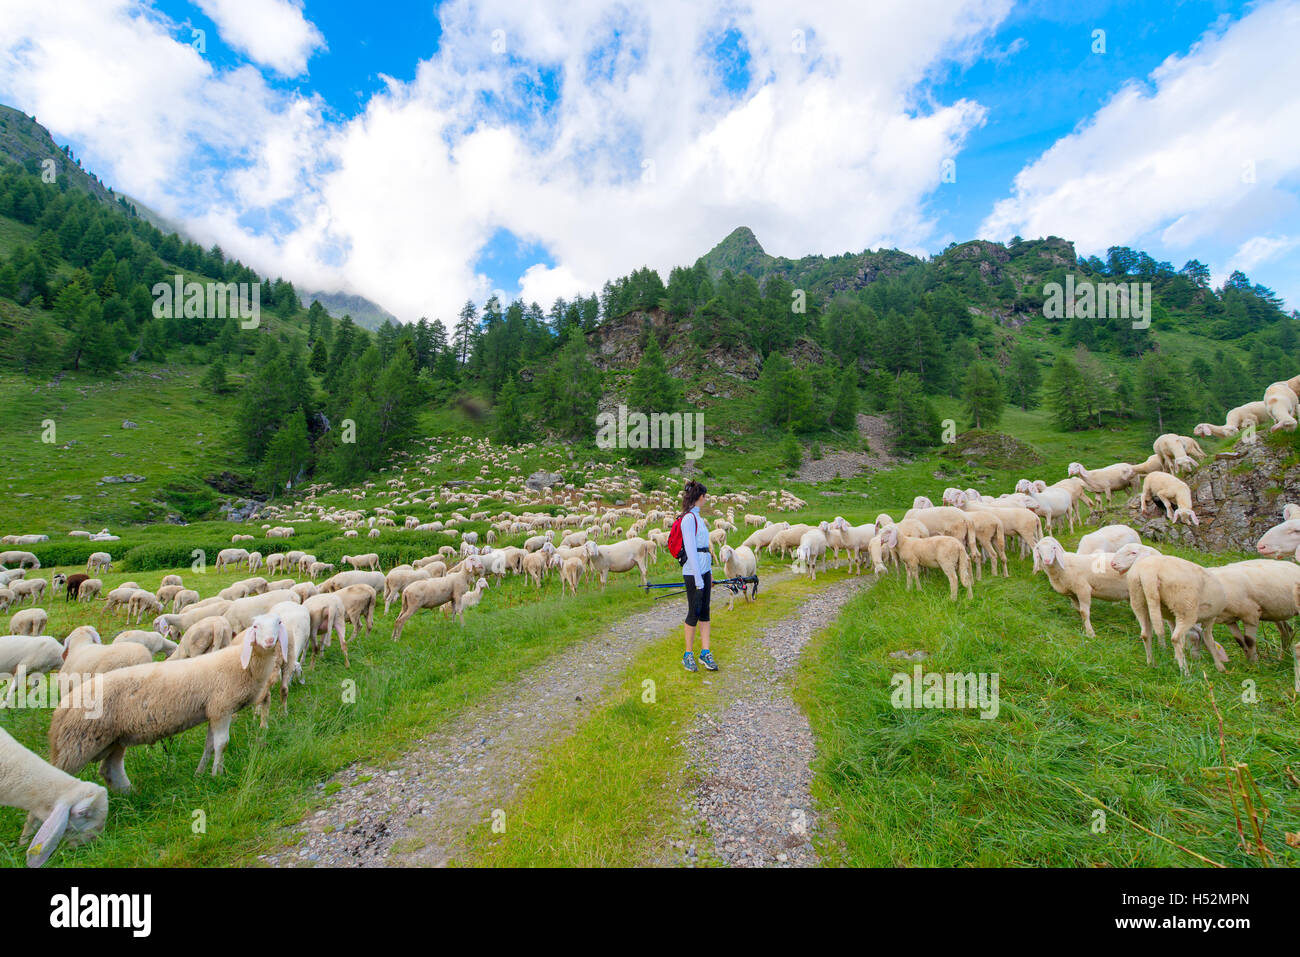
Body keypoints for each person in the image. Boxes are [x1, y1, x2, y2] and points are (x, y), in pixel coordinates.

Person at [678, 479, 717, 673]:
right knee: (693, 612)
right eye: (705, 496)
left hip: (704, 570)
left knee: (705, 611)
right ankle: (687, 654)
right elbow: (691, 550)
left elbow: (704, 549)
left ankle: (705, 651)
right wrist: (698, 578)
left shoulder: (698, 518)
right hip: (693, 572)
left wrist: (708, 574)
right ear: (699, 497)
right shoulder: (688, 519)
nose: (706, 499)